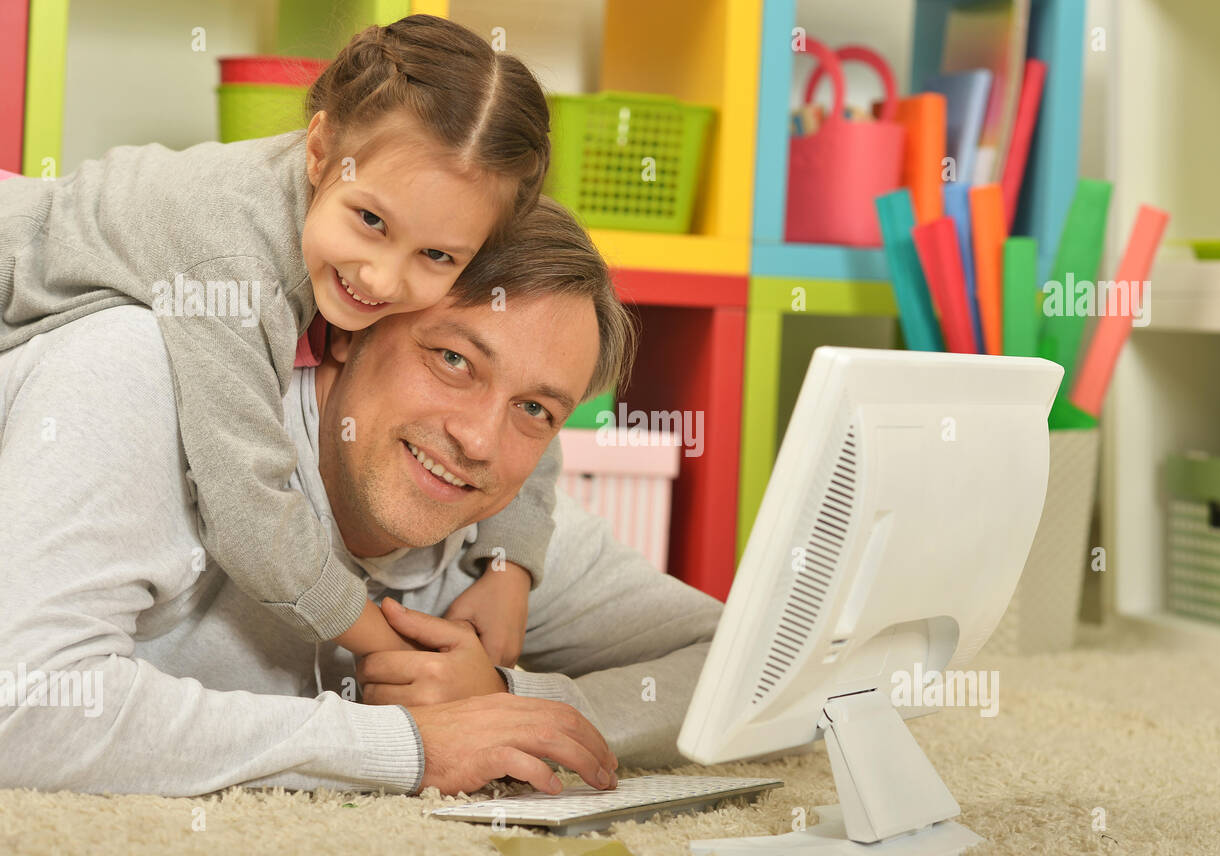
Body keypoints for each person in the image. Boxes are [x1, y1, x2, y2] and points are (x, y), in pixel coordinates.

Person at [0, 197, 723, 798]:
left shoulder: (495, 542)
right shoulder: (138, 374)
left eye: (535, 409)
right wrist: (404, 747)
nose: (478, 440)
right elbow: (22, 705)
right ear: (351, 327)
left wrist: (513, 704)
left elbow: (752, 666)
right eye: (453, 360)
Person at [0, 14, 559, 671]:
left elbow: (536, 362)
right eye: (370, 220)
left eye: (435, 254)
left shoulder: (428, 215)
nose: (383, 276)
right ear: (318, 152)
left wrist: (510, 565)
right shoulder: (229, 257)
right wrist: (390, 648)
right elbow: (247, 510)